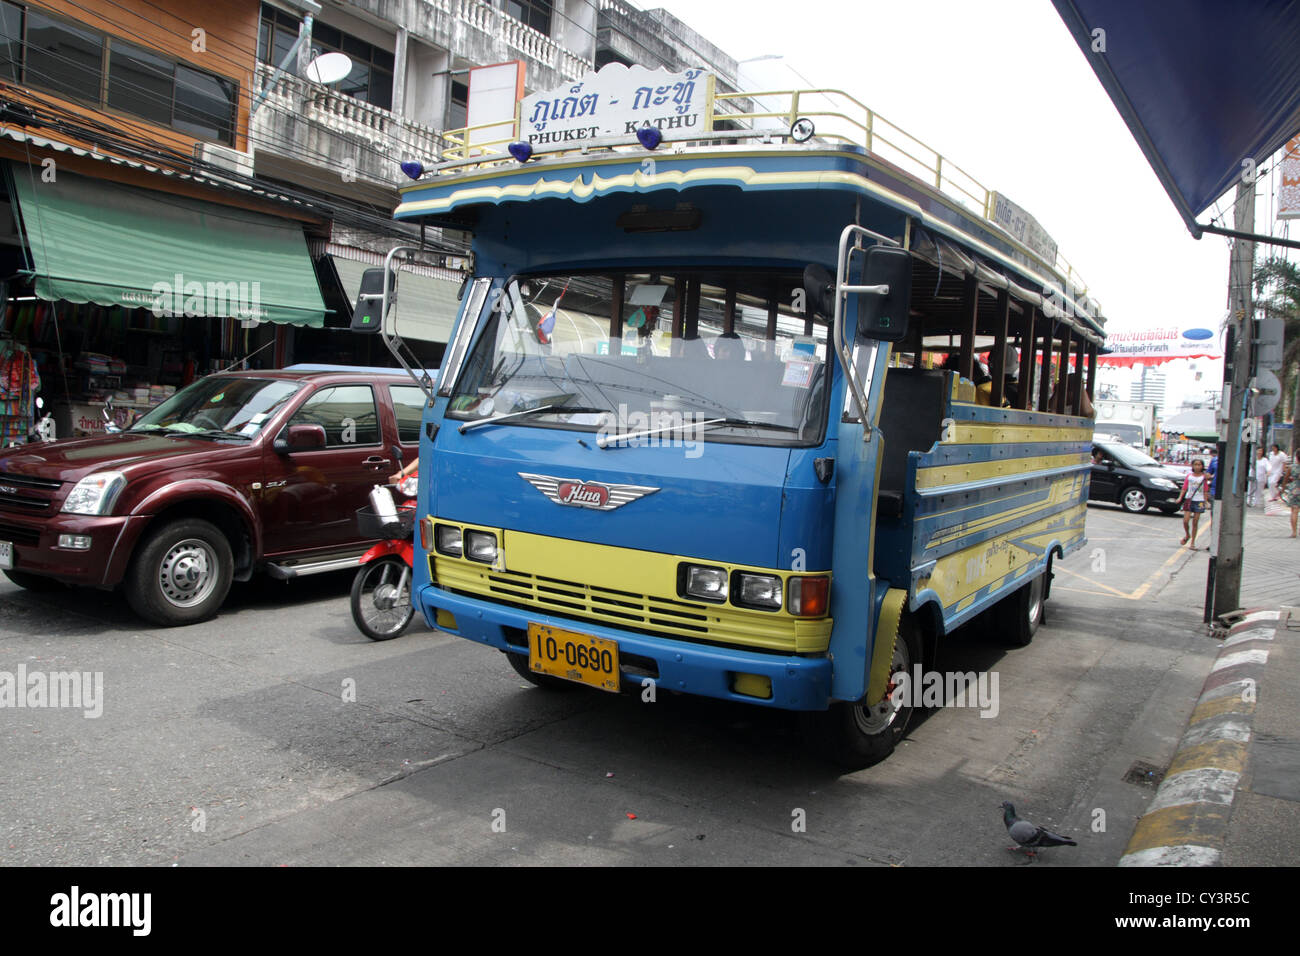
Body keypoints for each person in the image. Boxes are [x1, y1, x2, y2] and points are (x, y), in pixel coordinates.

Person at [1174, 458, 1210, 549]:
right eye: (1196, 464)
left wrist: (1205, 501)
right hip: (1189, 499)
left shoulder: (1204, 477)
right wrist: (1180, 497)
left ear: (1202, 466)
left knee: (1195, 521)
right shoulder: (1189, 476)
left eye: (1199, 465)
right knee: (1185, 521)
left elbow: (1205, 490)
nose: (1197, 466)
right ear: (1192, 466)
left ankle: (1193, 542)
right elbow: (1184, 488)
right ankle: (1187, 535)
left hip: (1200, 500)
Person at [1282, 454, 1300, 537]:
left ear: (1296, 457)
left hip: (1294, 489)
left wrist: (1283, 489)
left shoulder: (1291, 467)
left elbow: (1285, 478)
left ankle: (1294, 532)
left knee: (1294, 511)